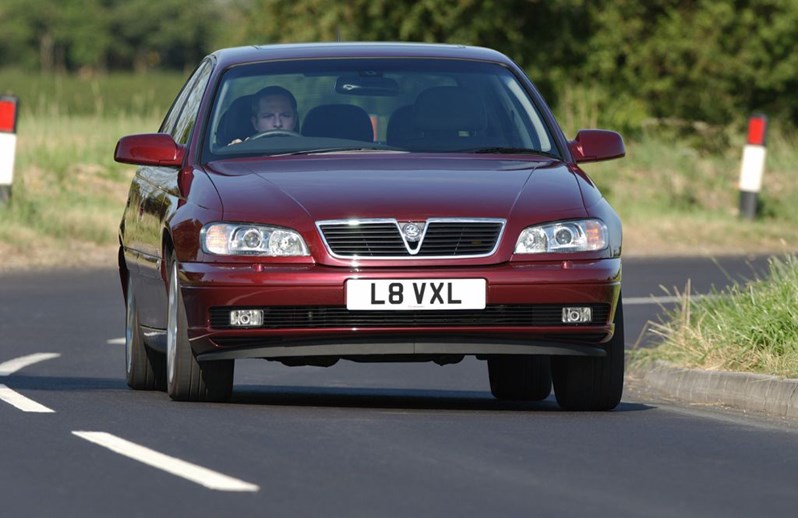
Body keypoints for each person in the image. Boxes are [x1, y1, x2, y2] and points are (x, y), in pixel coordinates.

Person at [229, 85, 299, 144]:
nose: (277, 124)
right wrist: (235, 153)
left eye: (285, 115)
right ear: (255, 123)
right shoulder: (240, 156)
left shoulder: (309, 153)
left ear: (295, 120)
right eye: (268, 116)